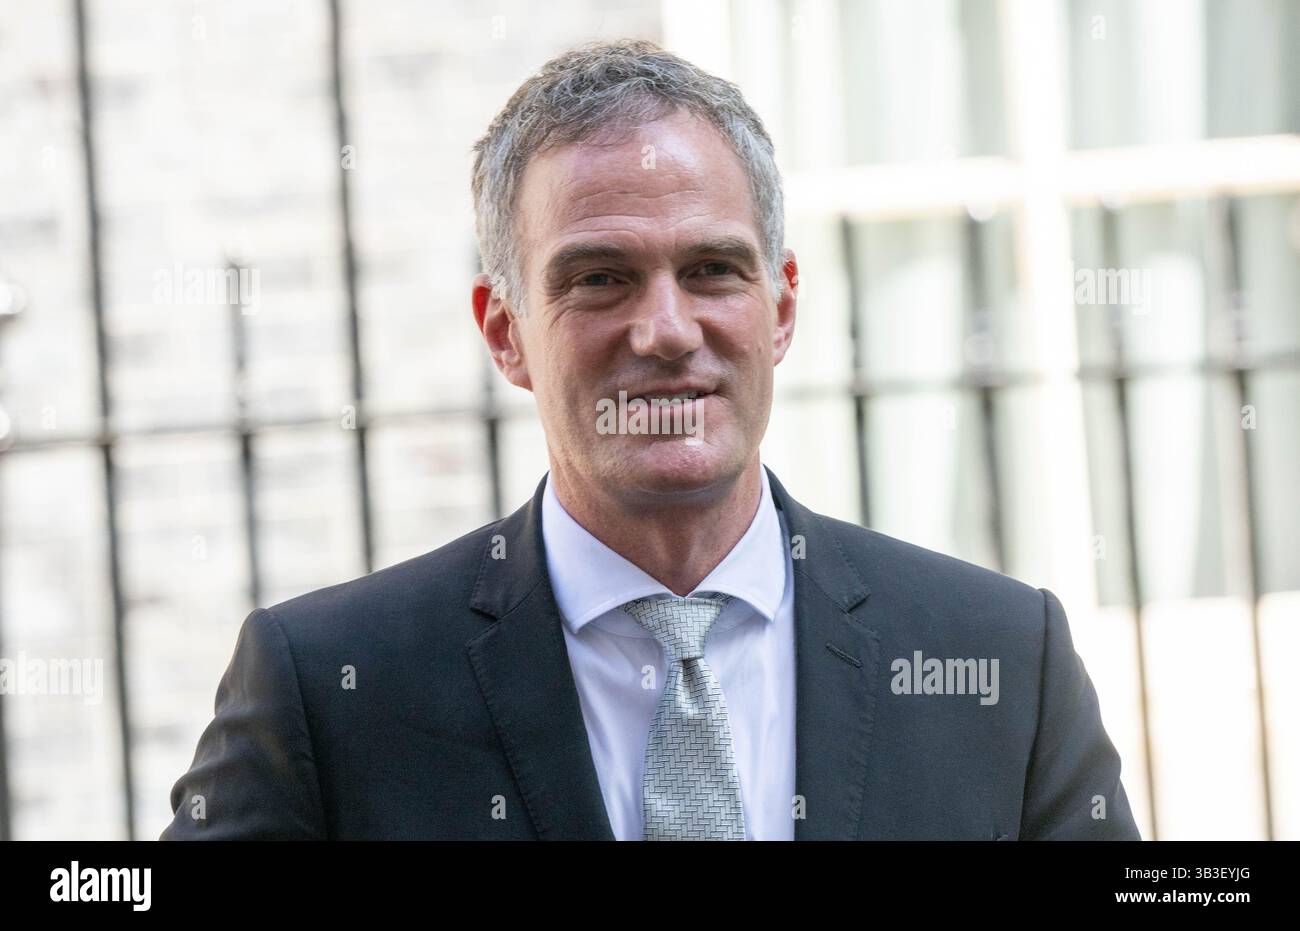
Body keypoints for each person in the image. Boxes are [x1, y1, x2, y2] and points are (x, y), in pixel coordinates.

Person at [161, 39, 1140, 841]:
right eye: (598, 278)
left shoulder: (1003, 664)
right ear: (505, 332)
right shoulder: (330, 691)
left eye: (712, 268)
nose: (667, 330)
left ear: (782, 307)